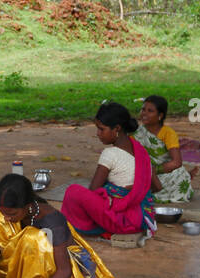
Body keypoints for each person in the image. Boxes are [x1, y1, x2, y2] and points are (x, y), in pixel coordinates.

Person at [61, 101, 156, 238]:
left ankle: (89, 226)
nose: (98, 133)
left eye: (101, 129)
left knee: (73, 191)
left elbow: (93, 190)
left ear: (116, 128)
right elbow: (156, 186)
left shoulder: (110, 154)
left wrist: (115, 193)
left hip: (121, 221)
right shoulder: (140, 151)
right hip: (141, 217)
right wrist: (133, 191)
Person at [135, 95, 196, 203]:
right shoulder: (137, 132)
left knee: (176, 178)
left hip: (165, 174)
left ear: (160, 115)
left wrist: (154, 170)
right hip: (145, 172)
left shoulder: (168, 133)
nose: (144, 113)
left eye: (150, 111)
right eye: (143, 109)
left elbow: (176, 162)